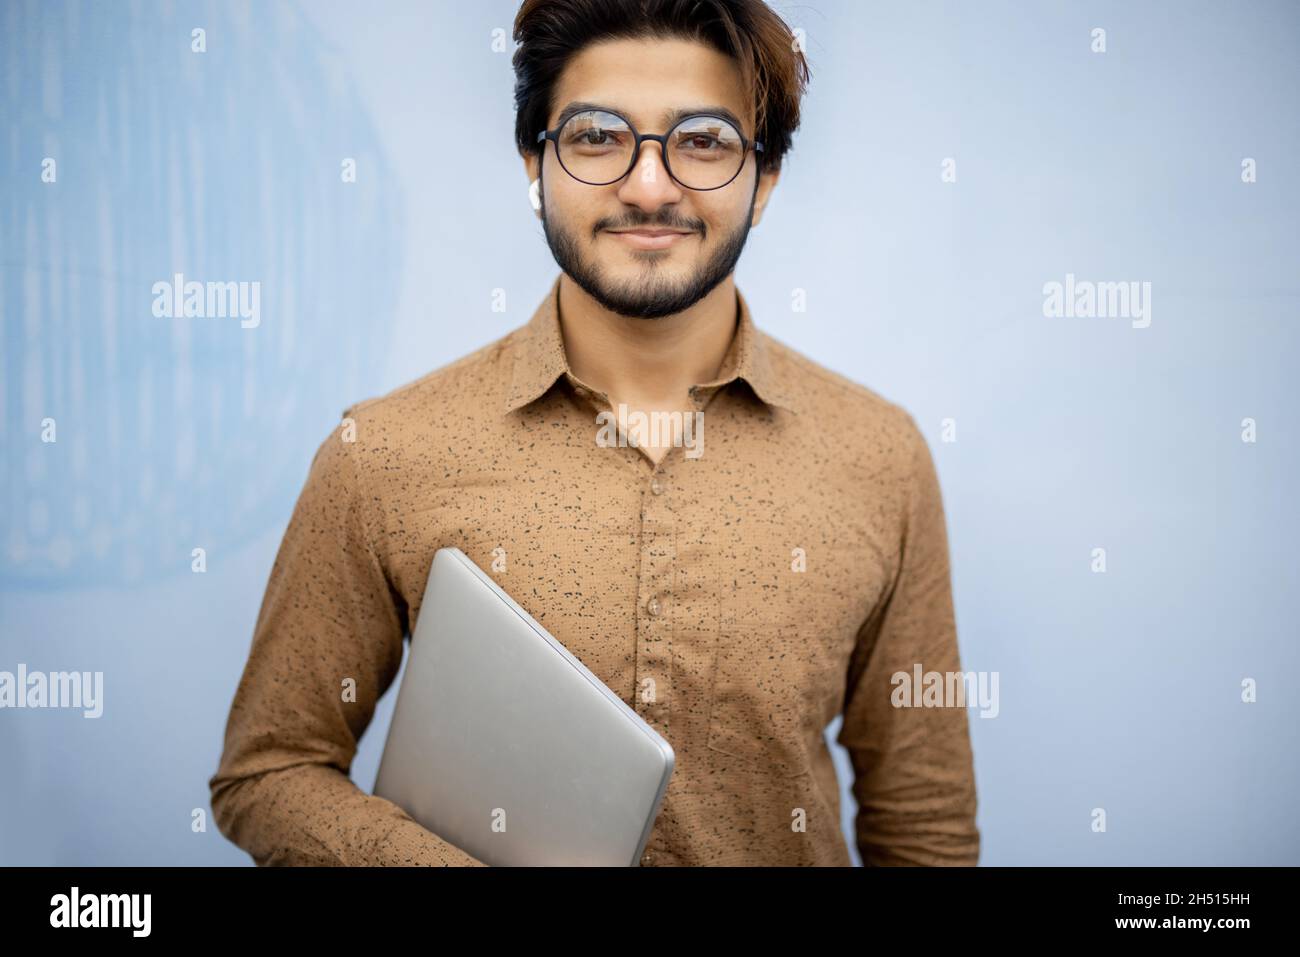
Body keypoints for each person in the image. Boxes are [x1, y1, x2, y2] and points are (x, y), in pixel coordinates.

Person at [209, 0, 980, 866]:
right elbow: (268, 772)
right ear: (535, 166)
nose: (650, 186)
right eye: (597, 135)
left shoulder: (881, 456)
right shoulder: (383, 456)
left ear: (763, 182)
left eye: (703, 142)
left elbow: (923, 822)